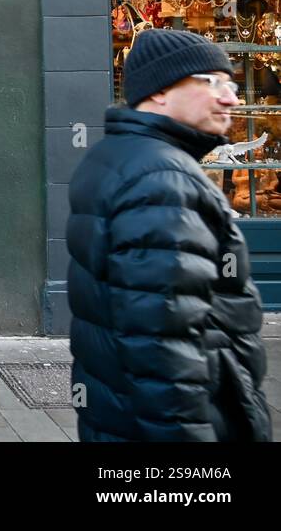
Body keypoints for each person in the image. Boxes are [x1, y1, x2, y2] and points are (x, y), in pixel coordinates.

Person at [69, 29, 272, 441]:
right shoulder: (162, 179)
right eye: (212, 82)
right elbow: (162, 347)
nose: (231, 97)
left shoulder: (119, 156)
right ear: (160, 91)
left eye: (231, 83)